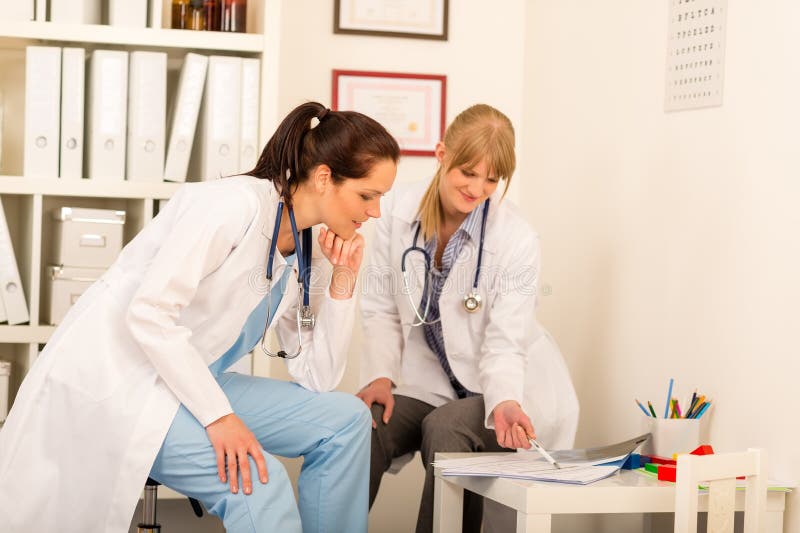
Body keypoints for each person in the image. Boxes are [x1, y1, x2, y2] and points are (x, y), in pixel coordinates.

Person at [0, 101, 399, 533]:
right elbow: (149, 314)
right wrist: (220, 418)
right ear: (324, 177)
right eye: (367, 195)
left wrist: (343, 283)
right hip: (127, 385)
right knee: (259, 481)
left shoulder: (309, 247)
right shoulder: (230, 207)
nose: (374, 212)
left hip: (191, 382)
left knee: (346, 421)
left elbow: (318, 378)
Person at [357, 104, 579, 533]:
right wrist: (381, 375)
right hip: (433, 380)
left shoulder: (515, 238)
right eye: (467, 172)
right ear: (441, 155)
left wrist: (506, 400)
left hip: (506, 387)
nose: (478, 188)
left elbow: (504, 342)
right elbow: (382, 307)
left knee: (446, 430)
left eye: (492, 178)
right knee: (362, 426)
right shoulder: (397, 212)